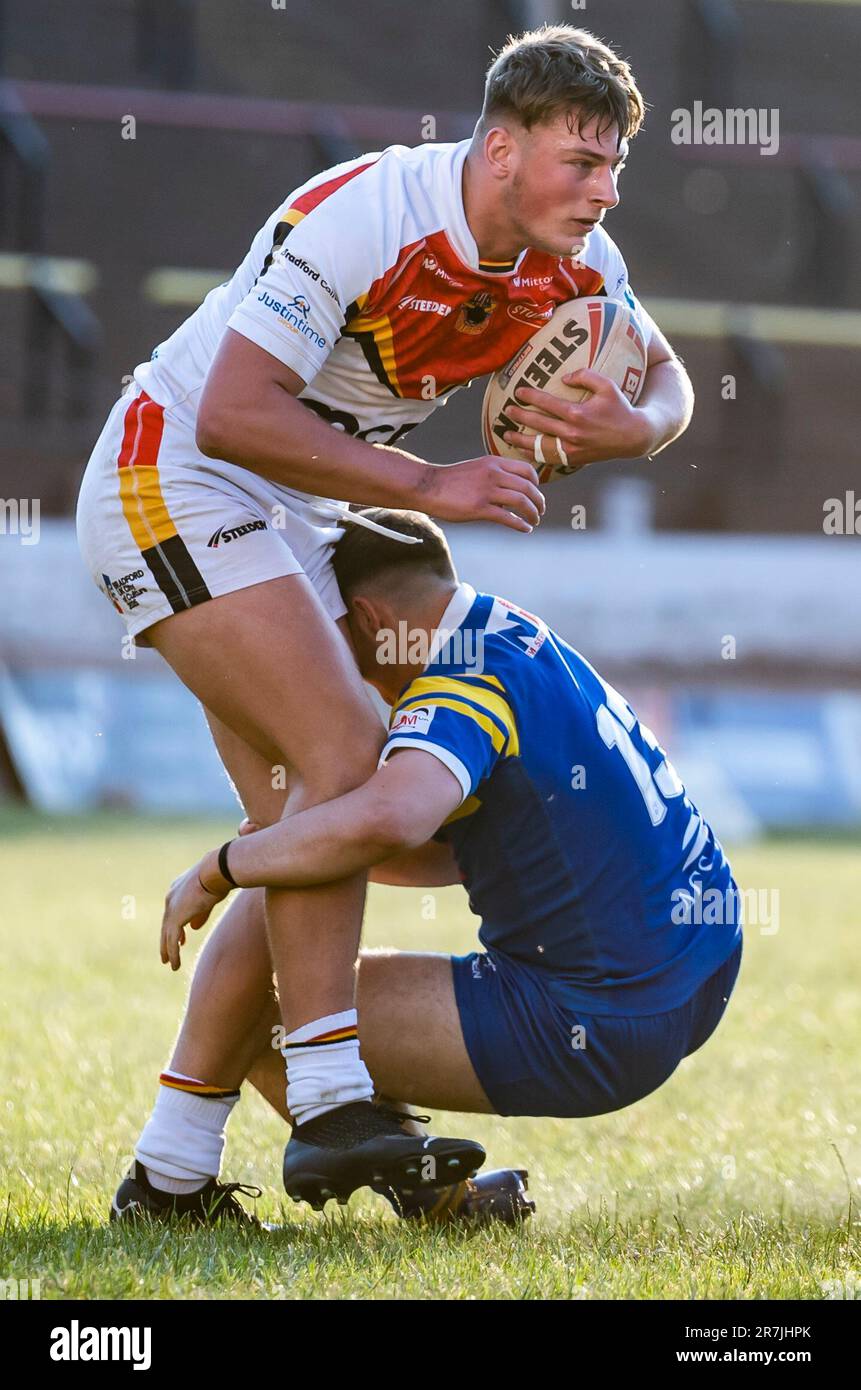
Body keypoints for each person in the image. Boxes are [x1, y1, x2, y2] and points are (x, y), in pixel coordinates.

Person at [81, 23, 694, 1219]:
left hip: (303, 507)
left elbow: (664, 382)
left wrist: (638, 427)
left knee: (316, 826)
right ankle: (334, 1104)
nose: (605, 190)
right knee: (343, 767)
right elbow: (228, 415)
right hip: (176, 476)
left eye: (618, 166)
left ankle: (170, 1176)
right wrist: (433, 484)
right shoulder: (366, 211)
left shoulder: (579, 254)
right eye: (583, 161)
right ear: (502, 146)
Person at [150, 508, 742, 1217]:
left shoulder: (456, 679)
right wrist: (295, 841)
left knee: (252, 1010)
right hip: (697, 969)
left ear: (367, 618)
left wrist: (221, 866)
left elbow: (391, 818)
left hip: (602, 1017)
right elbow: (443, 848)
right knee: (290, 876)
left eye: (322, 637)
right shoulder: (505, 630)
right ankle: (402, 1183)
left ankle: (194, 1181)